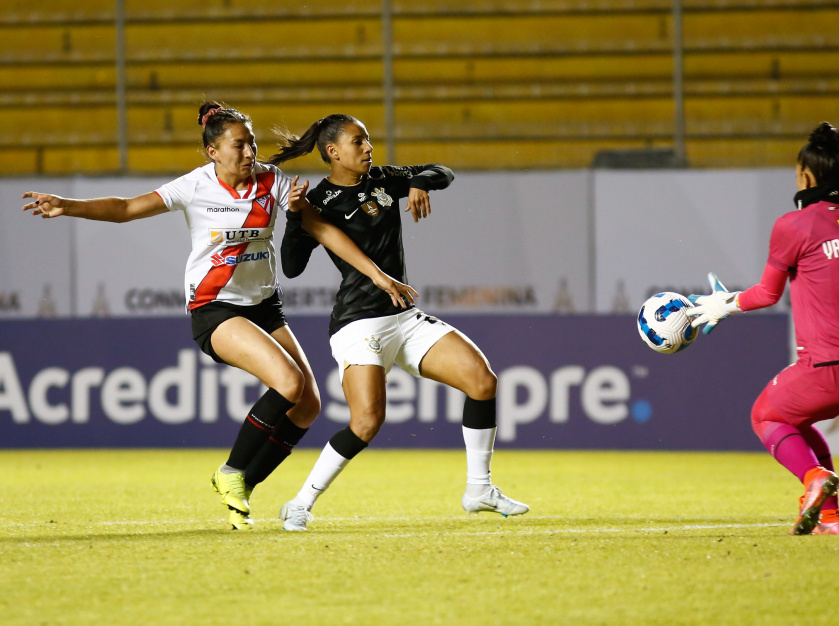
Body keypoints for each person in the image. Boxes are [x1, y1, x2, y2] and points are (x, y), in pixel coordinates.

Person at [22, 102, 416, 530]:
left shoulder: (272, 180)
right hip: (214, 306)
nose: (249, 153)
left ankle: (243, 486)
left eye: (251, 144)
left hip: (264, 305)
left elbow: (320, 228)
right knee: (288, 382)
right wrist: (67, 204)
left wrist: (374, 273)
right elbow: (125, 208)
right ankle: (231, 471)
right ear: (213, 151)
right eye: (238, 145)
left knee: (307, 407)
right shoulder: (195, 186)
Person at [267, 113, 529, 531]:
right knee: (367, 422)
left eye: (368, 140)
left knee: (482, 381)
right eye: (359, 142)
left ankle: (479, 489)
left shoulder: (383, 179)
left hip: (404, 317)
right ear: (333, 152)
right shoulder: (318, 203)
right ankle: (300, 503)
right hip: (359, 324)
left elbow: (442, 172)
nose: (369, 148)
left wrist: (421, 182)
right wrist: (296, 217)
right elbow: (294, 267)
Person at [686, 122, 839, 535]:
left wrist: (723, 305)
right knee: (796, 423)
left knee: (766, 416)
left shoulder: (793, 225)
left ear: (805, 176)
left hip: (832, 366)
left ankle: (813, 480)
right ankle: (830, 519)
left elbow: (766, 294)